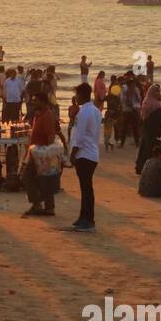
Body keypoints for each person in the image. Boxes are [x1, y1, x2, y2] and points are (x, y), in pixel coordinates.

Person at [21, 91, 62, 217]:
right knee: (40, 179)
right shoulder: (38, 114)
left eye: (35, 100)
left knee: (30, 177)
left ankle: (40, 205)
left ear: (43, 102)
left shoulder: (48, 115)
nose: (33, 102)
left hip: (42, 154)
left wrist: (46, 155)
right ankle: (43, 206)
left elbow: (50, 136)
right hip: (34, 152)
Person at [69, 82, 101, 231]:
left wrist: (73, 154)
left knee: (86, 188)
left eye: (77, 94)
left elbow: (79, 137)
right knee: (85, 187)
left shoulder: (84, 113)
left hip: (84, 154)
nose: (76, 97)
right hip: (92, 152)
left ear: (82, 95)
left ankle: (88, 220)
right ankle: (83, 217)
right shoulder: (95, 110)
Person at [134, 84, 161, 175]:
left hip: (146, 130)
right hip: (154, 131)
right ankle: (150, 169)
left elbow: (142, 118)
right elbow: (160, 120)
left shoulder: (146, 102)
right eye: (156, 91)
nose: (158, 93)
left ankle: (141, 167)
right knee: (151, 150)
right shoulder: (156, 106)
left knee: (145, 149)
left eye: (159, 91)